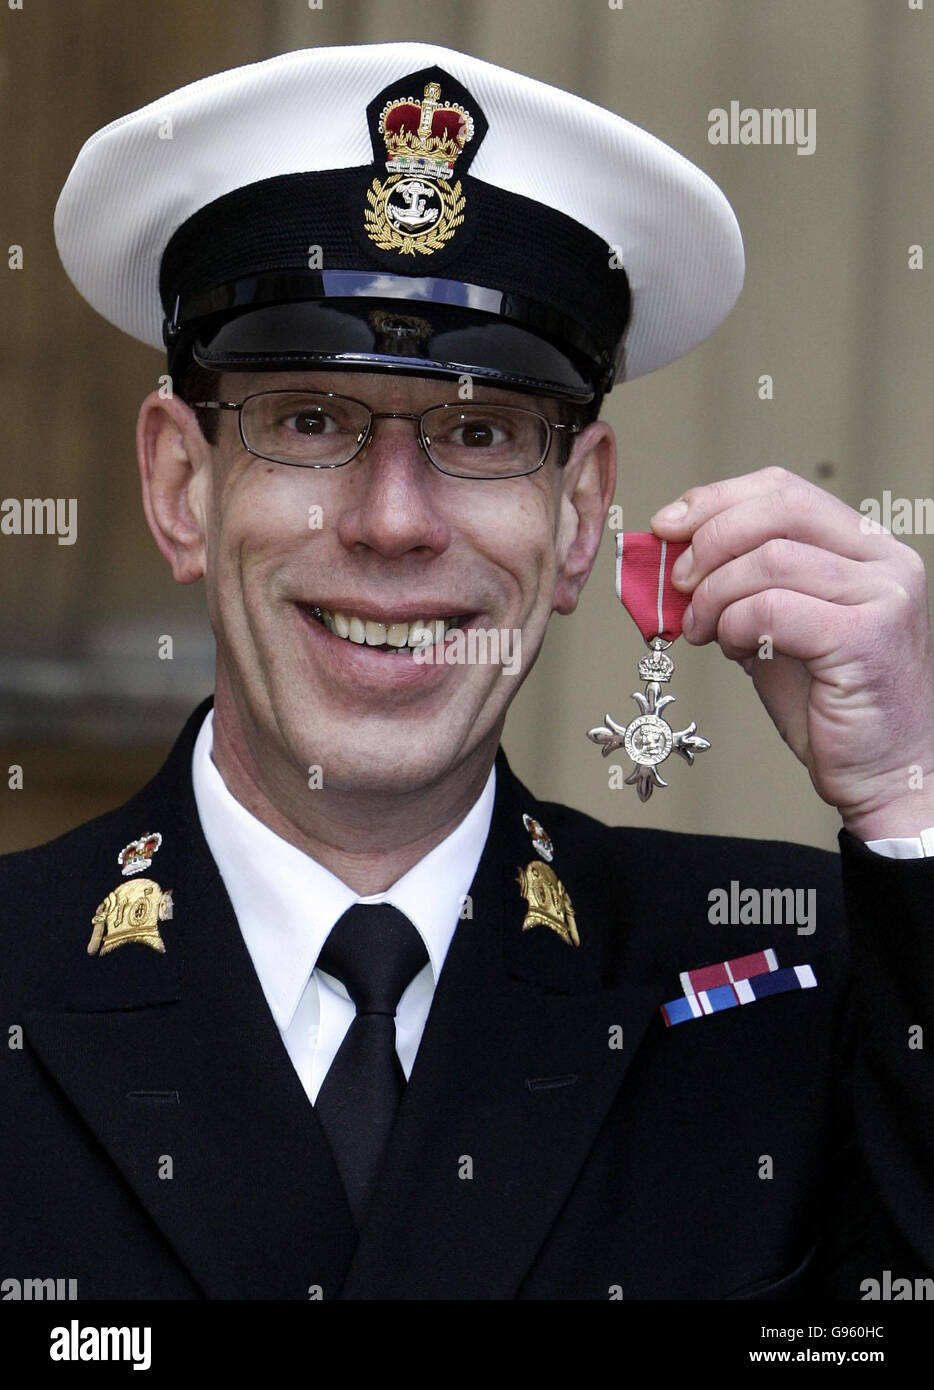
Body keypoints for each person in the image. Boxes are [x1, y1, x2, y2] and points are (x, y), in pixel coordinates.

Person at [2, 41, 933, 1302]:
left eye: (483, 431)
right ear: (181, 486)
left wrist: (909, 799)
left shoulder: (792, 979)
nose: (394, 522)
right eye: (313, 420)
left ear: (578, 512)